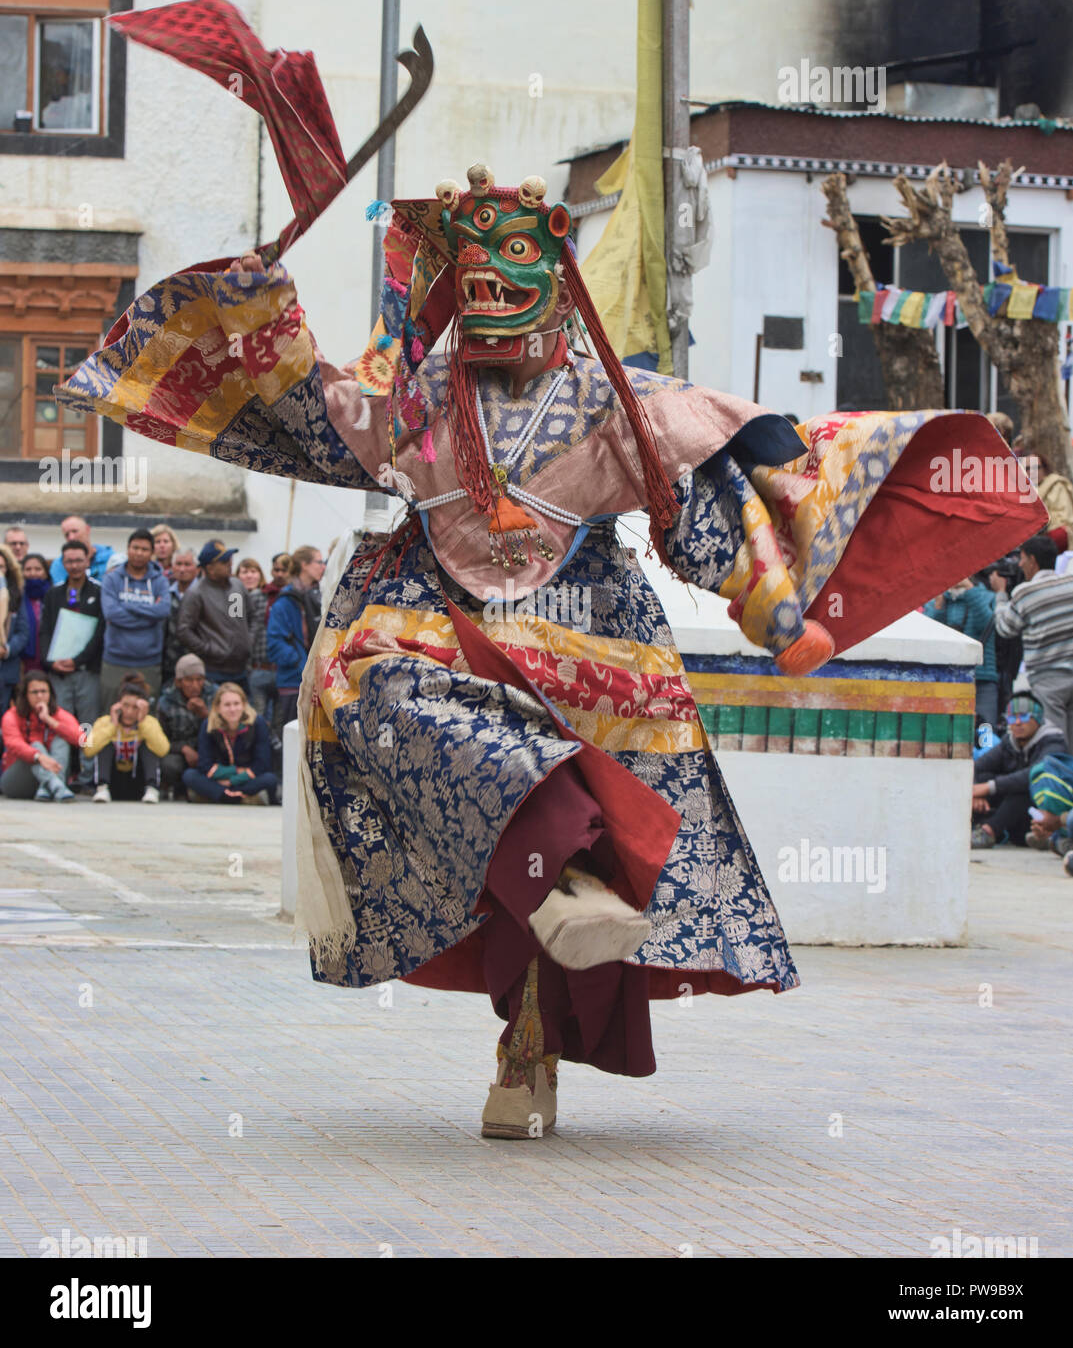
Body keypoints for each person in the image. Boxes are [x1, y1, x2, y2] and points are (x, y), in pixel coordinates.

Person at [56, 82, 1046, 1136]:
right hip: (437, 622)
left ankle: (529, 1034)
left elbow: (706, 483)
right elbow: (306, 410)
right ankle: (551, 872)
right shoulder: (415, 393)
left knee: (576, 810)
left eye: (511, 278)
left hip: (588, 630)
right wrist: (248, 302)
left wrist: (770, 609)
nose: (492, 303)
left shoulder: (615, 396)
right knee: (362, 678)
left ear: (553, 275)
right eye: (472, 281)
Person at [993, 533, 1073, 746]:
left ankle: (1056, 778)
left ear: (1033, 561)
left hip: (1047, 679)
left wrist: (1001, 595)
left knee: (1054, 739)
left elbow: (1004, 628)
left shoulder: (1025, 593)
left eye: (1022, 558)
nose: (1019, 564)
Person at [39, 539, 104, 790]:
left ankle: (88, 776)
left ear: (88, 561)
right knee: (59, 724)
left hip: (87, 671)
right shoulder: (54, 593)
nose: (74, 565)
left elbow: (100, 632)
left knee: (87, 724)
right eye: (69, 561)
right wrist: (50, 661)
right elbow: (45, 631)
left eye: (79, 560)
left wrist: (78, 660)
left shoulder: (98, 591)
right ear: (62, 563)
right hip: (59, 672)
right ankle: (59, 775)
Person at [971, 693, 1067, 848]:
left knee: (1023, 787)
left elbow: (1034, 774)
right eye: (1011, 718)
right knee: (982, 776)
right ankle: (986, 828)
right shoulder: (1009, 741)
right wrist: (975, 791)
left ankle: (989, 831)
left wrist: (988, 787)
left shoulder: (1053, 741)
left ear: (1037, 718)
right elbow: (979, 766)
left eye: (1023, 717)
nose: (1016, 723)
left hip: (1043, 809)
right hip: (1012, 811)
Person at [99, 529, 171, 708]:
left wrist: (129, 606)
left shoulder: (159, 581)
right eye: (135, 547)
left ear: (152, 553)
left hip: (149, 661)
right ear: (127, 549)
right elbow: (111, 613)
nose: (139, 553)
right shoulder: (112, 579)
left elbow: (163, 610)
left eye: (145, 549)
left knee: (146, 716)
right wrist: (149, 615)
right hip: (115, 659)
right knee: (110, 715)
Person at [181, 681, 278, 804]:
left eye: (236, 704)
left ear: (244, 704)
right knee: (189, 775)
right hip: (218, 779)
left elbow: (262, 764)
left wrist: (232, 781)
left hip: (245, 780)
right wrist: (237, 771)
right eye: (227, 705)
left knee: (270, 779)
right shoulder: (208, 725)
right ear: (217, 707)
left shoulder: (257, 723)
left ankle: (222, 795)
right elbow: (205, 765)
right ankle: (238, 797)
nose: (232, 709)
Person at [176, 540, 252, 691]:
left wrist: (249, 640)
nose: (230, 563)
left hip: (241, 668)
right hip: (214, 671)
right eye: (224, 561)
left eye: (229, 559)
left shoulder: (236, 585)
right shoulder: (196, 593)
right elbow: (184, 630)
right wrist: (209, 650)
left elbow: (250, 616)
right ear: (209, 568)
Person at [924, 578, 1000, 726]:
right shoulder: (939, 599)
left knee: (986, 731)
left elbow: (988, 626)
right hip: (946, 679)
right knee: (948, 731)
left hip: (982, 680)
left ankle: (986, 750)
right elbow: (928, 635)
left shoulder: (988, 596)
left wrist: (969, 590)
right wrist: (938, 606)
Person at [82, 674, 169, 803]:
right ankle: (102, 788)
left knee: (149, 744)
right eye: (126, 705)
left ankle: (152, 789)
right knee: (104, 744)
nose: (129, 712)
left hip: (138, 783)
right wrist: (113, 725)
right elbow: (88, 751)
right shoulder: (105, 722)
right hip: (114, 782)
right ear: (118, 705)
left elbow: (163, 750)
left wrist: (142, 722)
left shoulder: (149, 722)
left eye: (135, 707)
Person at [266, 546, 323, 733]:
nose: (323, 567)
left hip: (315, 681)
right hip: (293, 682)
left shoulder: (318, 595)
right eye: (319, 562)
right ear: (304, 565)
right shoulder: (285, 601)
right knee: (294, 738)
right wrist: (301, 665)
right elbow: (275, 645)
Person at [0, 672, 81, 801]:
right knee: (36, 745)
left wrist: (49, 720)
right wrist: (38, 757)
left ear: (50, 693)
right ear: (25, 695)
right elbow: (13, 743)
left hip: (53, 771)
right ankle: (55, 785)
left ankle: (49, 786)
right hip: (18, 779)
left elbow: (81, 739)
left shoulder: (58, 714)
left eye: (44, 691)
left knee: (61, 740)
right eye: (34, 692)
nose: (40, 696)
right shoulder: (12, 715)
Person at [157, 653, 218, 800]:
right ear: (178, 682)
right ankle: (176, 788)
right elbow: (159, 739)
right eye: (189, 680)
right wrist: (183, 748)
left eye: (199, 679)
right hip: (180, 752)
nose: (195, 685)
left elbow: (227, 731)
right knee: (170, 764)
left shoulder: (215, 695)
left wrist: (206, 715)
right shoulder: (166, 702)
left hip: (211, 751)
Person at [237, 557, 275, 719]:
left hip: (269, 663)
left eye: (253, 571)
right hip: (247, 664)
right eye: (244, 572)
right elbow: (235, 625)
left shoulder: (269, 596)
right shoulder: (235, 598)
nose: (249, 576)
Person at [161, 546, 199, 684]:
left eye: (187, 564)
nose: (182, 569)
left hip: (196, 664)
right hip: (168, 663)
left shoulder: (204, 593)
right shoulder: (164, 591)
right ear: (172, 567)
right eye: (178, 564)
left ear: (197, 568)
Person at [0, 543, 28, 712]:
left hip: (6, 672)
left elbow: (23, 633)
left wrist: (6, 650)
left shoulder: (16, 597)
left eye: (1, 567)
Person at [47, 516, 114, 585]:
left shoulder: (111, 558)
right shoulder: (59, 565)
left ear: (87, 529)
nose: (71, 538)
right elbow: (61, 592)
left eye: (75, 531)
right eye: (67, 535)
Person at [19, 554, 52, 675]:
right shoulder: (16, 597)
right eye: (28, 569)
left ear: (45, 572)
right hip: (22, 661)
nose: (33, 573)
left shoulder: (53, 595)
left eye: (38, 569)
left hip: (49, 659)